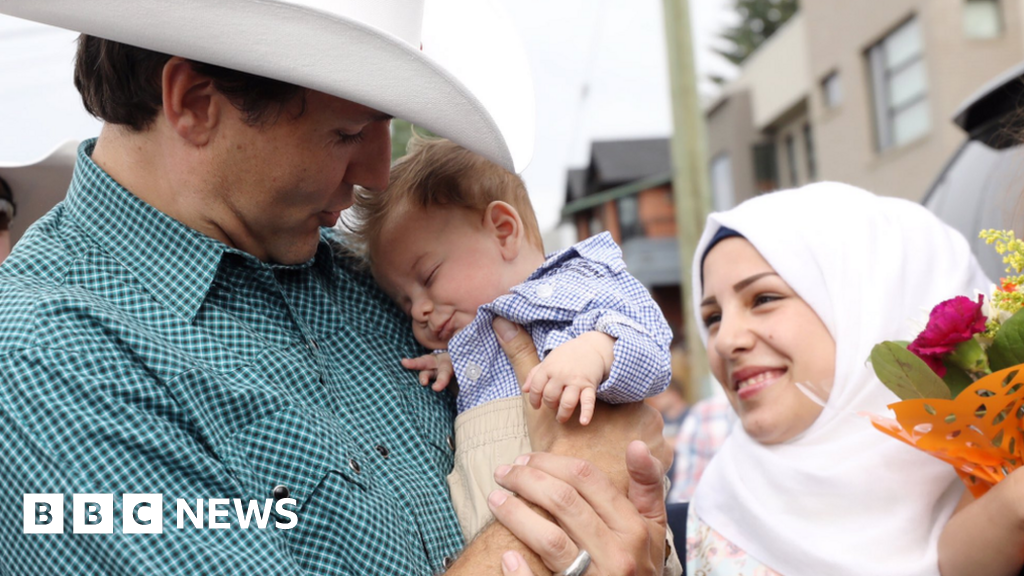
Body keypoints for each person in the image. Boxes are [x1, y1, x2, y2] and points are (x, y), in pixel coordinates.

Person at [0, 2, 672, 575]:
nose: (380, 171)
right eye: (346, 131)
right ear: (196, 105)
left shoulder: (372, 279)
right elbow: (588, 467)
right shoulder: (43, 359)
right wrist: (577, 504)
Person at [346, 136, 674, 544]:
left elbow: (651, 346)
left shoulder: (574, 284)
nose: (418, 311)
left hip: (596, 529)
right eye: (404, 300)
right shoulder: (477, 338)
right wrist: (455, 361)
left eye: (428, 277)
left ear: (503, 232)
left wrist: (594, 352)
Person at [687, 183, 990, 576]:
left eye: (763, 299)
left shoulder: (1002, 482)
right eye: (713, 318)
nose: (725, 340)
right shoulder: (685, 532)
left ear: (873, 305)